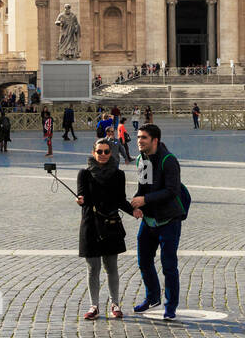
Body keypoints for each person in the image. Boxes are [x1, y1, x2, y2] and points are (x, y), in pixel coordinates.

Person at [131, 124, 186, 321]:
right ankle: (153, 297)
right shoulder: (141, 159)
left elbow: (172, 191)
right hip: (149, 220)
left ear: (154, 140)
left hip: (169, 220)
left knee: (169, 265)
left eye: (143, 138)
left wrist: (145, 200)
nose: (139, 141)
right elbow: (143, 188)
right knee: (143, 261)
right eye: (138, 137)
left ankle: (170, 306)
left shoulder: (168, 161)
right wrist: (136, 205)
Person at [76, 139, 131, 320]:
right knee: (93, 268)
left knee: (111, 266)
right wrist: (80, 200)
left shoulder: (118, 175)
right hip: (91, 224)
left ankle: (114, 303)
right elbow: (81, 195)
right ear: (93, 153)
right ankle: (94, 306)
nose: (103, 155)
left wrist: (135, 211)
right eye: (99, 151)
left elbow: (121, 200)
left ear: (111, 153)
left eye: (107, 151)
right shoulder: (84, 174)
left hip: (110, 224)